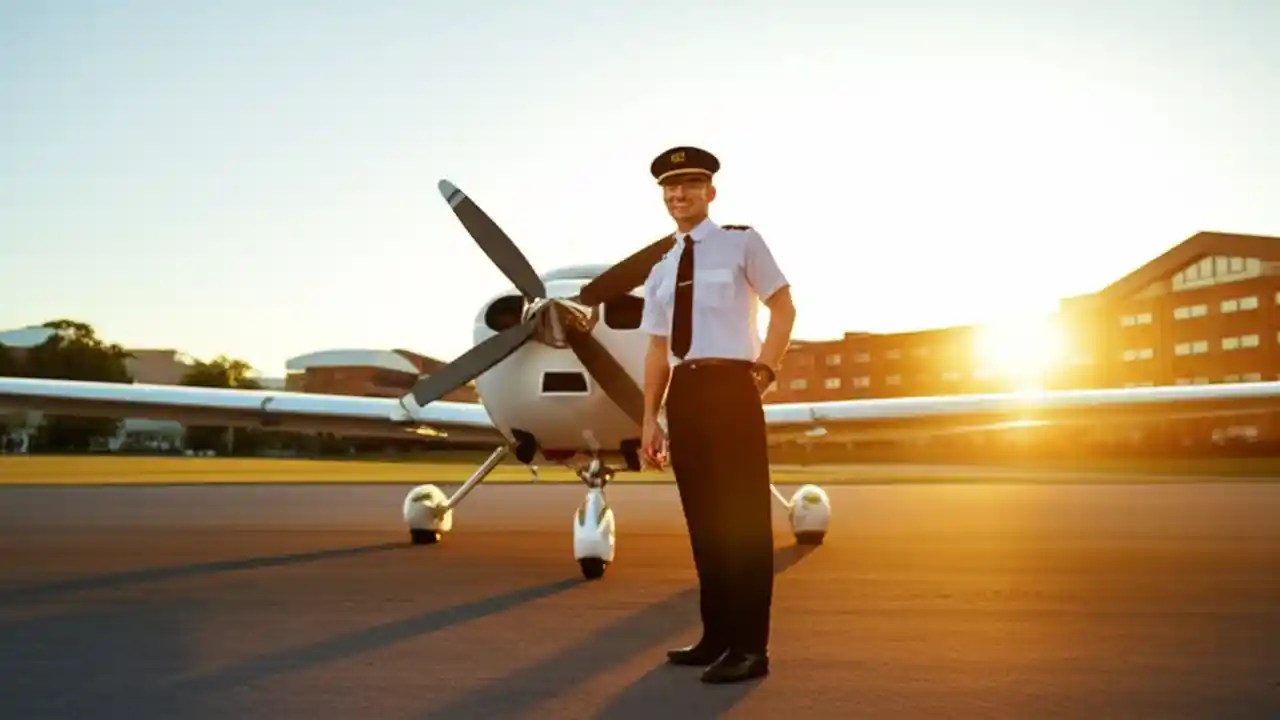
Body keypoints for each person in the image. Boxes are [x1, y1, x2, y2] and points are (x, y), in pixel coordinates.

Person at [638, 145, 796, 684]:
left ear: (710, 192)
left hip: (733, 386)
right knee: (705, 525)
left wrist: (767, 369)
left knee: (744, 524)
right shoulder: (659, 270)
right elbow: (657, 351)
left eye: (688, 185)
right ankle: (717, 638)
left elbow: (784, 306)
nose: (677, 194)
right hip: (685, 393)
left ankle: (751, 649)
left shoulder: (740, 243)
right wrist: (649, 421)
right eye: (669, 187)